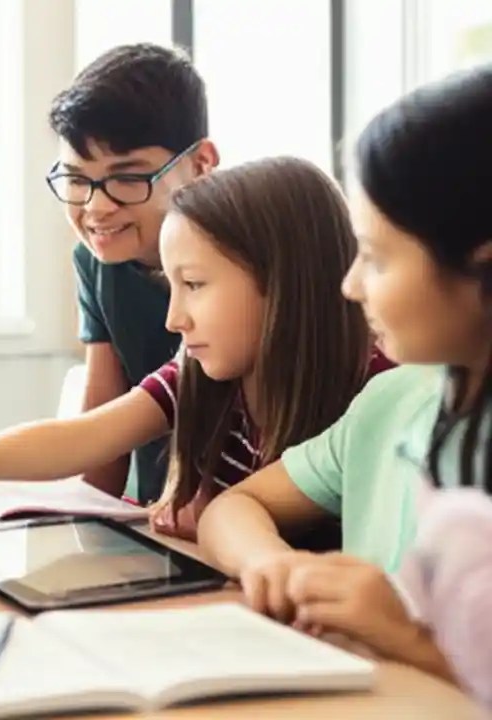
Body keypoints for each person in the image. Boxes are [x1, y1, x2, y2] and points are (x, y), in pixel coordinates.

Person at [0, 157, 391, 540]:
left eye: (194, 284)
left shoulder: (379, 391)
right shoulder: (197, 372)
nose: (174, 319)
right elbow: (82, 437)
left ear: (284, 284)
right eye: (170, 285)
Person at [199, 64, 492, 701]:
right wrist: (276, 565)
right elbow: (234, 506)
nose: (350, 285)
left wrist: (405, 635)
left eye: (377, 257)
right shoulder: (395, 401)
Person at [47, 43, 219, 503]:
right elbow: (102, 432)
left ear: (200, 164)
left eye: (127, 178)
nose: (96, 207)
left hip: (242, 521)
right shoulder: (96, 262)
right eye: (77, 179)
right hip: (154, 520)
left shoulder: (248, 258)